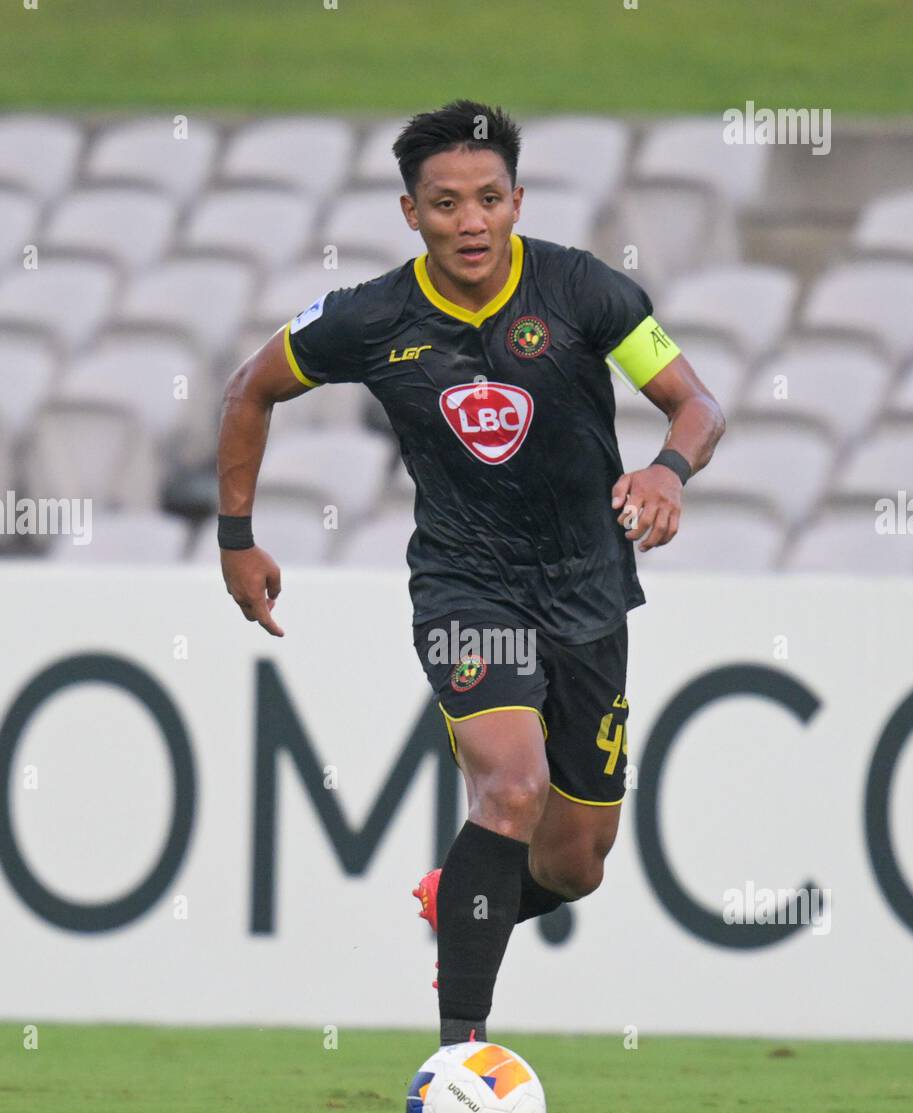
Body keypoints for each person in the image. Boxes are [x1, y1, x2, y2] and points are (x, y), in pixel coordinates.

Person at [216, 99, 725, 1047]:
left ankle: (461, 897)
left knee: (575, 864)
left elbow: (696, 404)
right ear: (411, 213)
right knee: (511, 789)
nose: (470, 222)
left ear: (517, 201)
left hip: (587, 591)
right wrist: (235, 537)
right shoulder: (370, 316)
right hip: (466, 586)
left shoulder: (583, 290)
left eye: (488, 199)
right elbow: (250, 389)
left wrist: (666, 470)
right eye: (445, 203)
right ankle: (461, 1062)